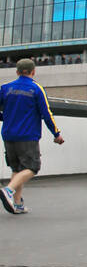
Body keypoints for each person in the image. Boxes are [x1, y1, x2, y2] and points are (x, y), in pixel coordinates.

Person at [1, 58, 65, 215]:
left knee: (17, 168)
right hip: (27, 135)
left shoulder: (5, 88)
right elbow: (46, 114)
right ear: (33, 71)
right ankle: (8, 190)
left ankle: (17, 203)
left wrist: (6, 117)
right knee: (32, 167)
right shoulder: (36, 89)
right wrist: (56, 133)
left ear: (16, 72)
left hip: (8, 135)